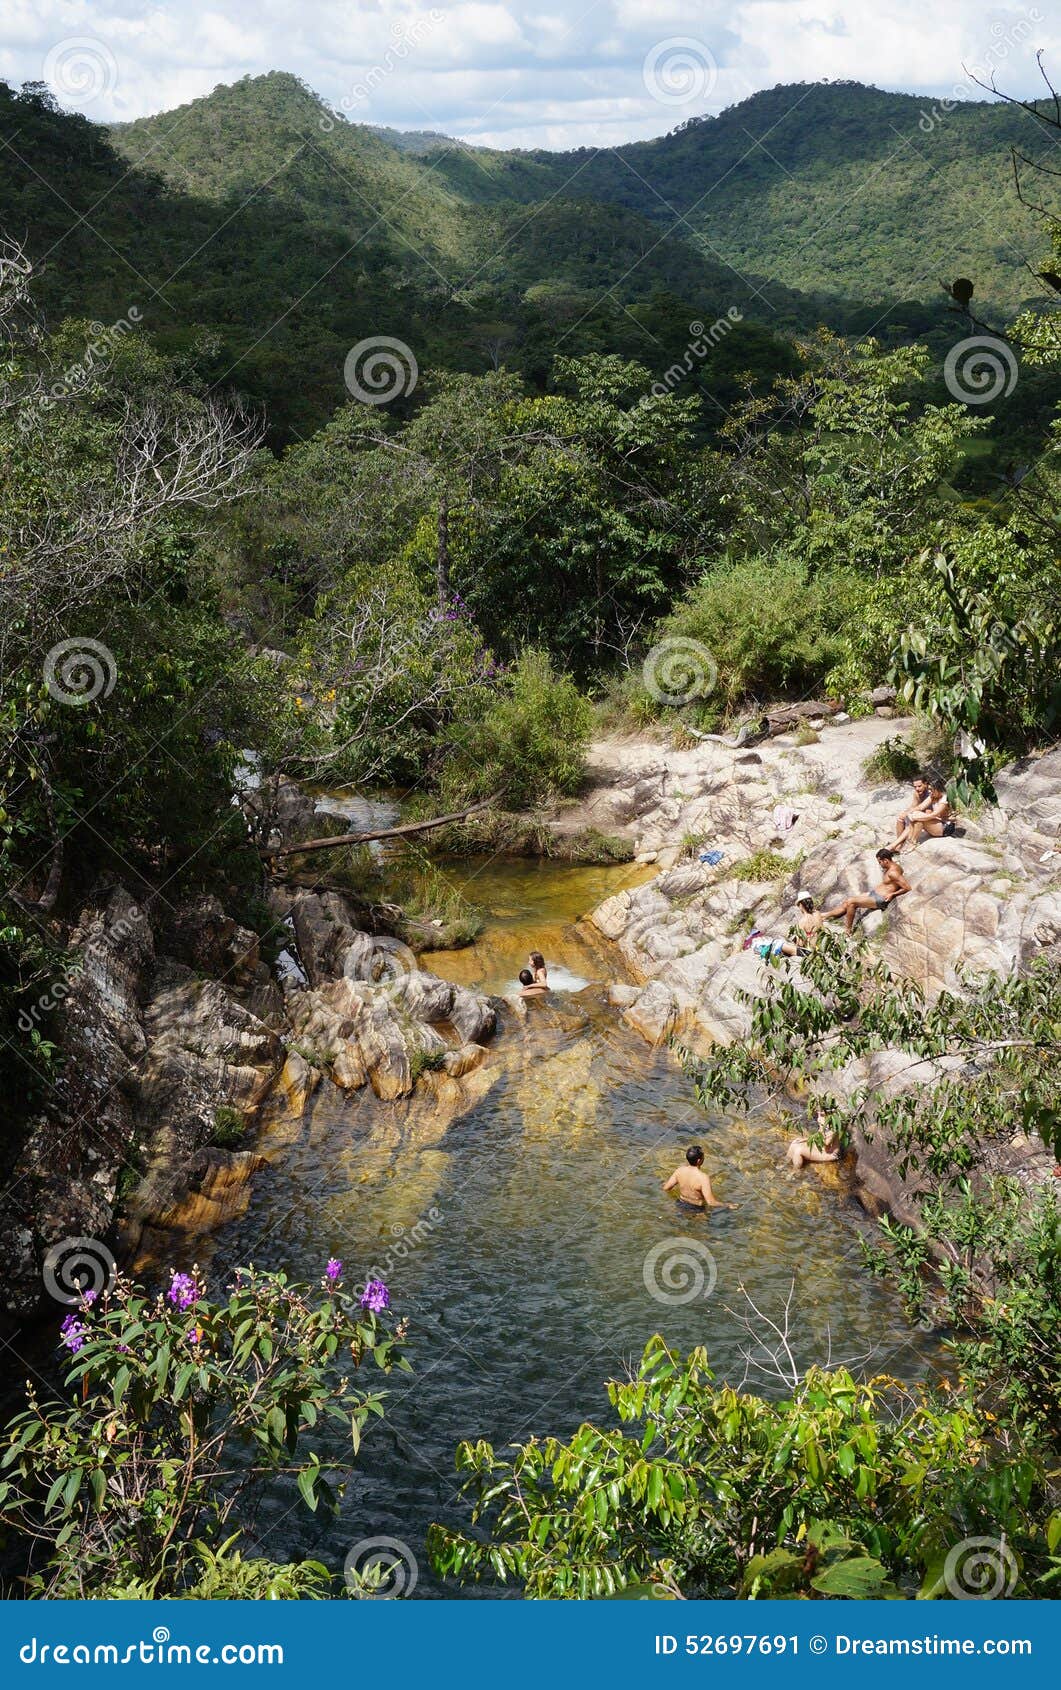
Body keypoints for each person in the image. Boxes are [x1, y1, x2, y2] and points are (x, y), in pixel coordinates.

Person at [823, 848, 911, 934]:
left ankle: (848, 930)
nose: (879, 864)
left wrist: (892, 894)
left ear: (886, 860)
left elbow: (907, 887)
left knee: (851, 902)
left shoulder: (893, 873)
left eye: (880, 862)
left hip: (880, 899)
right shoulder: (894, 866)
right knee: (847, 901)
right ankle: (825, 915)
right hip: (874, 894)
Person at [662, 1145, 736, 1211]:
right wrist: (727, 1205)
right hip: (697, 1208)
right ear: (699, 1161)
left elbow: (666, 1188)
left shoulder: (679, 1170)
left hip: (680, 1204)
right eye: (703, 1157)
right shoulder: (703, 1178)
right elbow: (711, 1202)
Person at [894, 781, 953, 852]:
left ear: (938, 789)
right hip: (937, 822)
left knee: (919, 819)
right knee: (916, 815)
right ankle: (909, 841)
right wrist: (908, 813)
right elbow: (920, 807)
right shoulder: (933, 796)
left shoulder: (944, 800)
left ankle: (913, 842)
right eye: (929, 790)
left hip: (945, 827)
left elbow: (934, 815)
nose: (930, 792)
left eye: (931, 790)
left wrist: (916, 816)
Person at [895, 776, 931, 842]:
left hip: (930, 818)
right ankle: (899, 843)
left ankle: (907, 841)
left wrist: (910, 813)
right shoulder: (917, 793)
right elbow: (913, 805)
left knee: (914, 820)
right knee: (900, 819)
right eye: (915, 787)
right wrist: (905, 813)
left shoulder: (931, 794)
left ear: (925, 784)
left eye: (919, 786)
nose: (917, 788)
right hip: (920, 813)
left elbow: (928, 813)